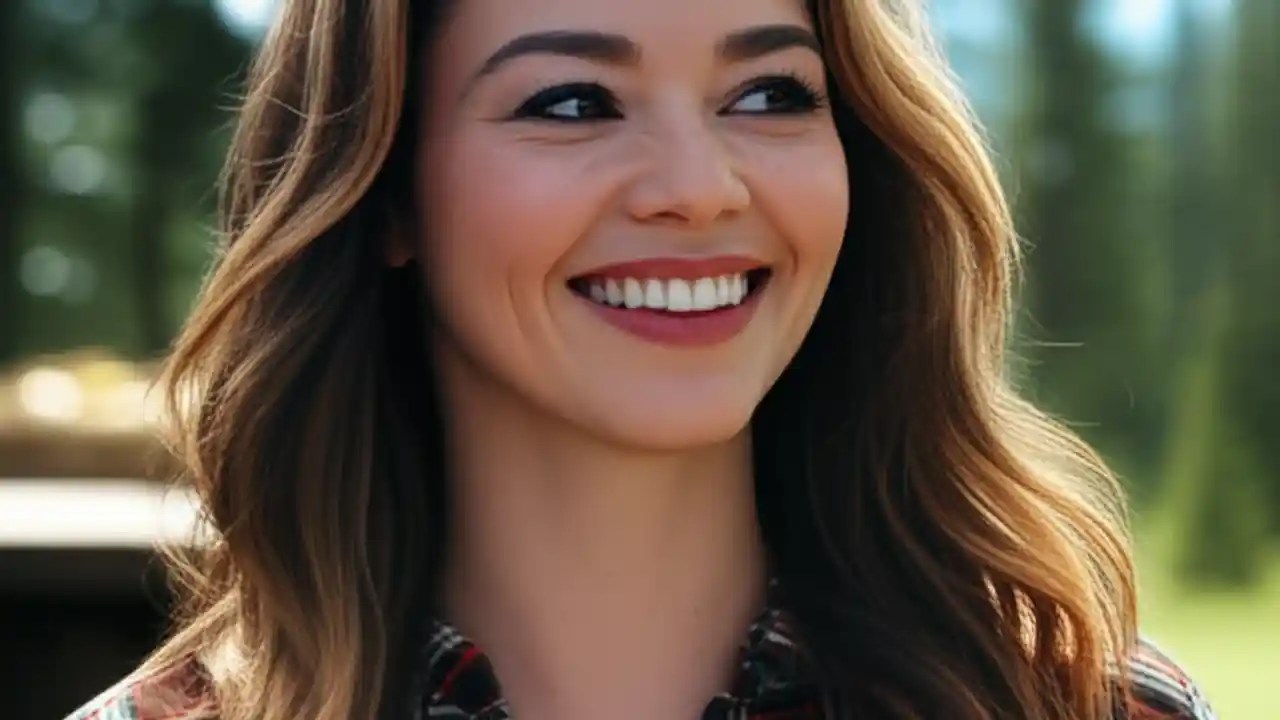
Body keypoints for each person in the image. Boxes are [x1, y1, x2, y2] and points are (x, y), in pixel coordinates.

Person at [67, 0, 1216, 718]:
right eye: (572, 103)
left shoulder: (1090, 707)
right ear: (384, 193)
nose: (700, 187)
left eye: (768, 93)